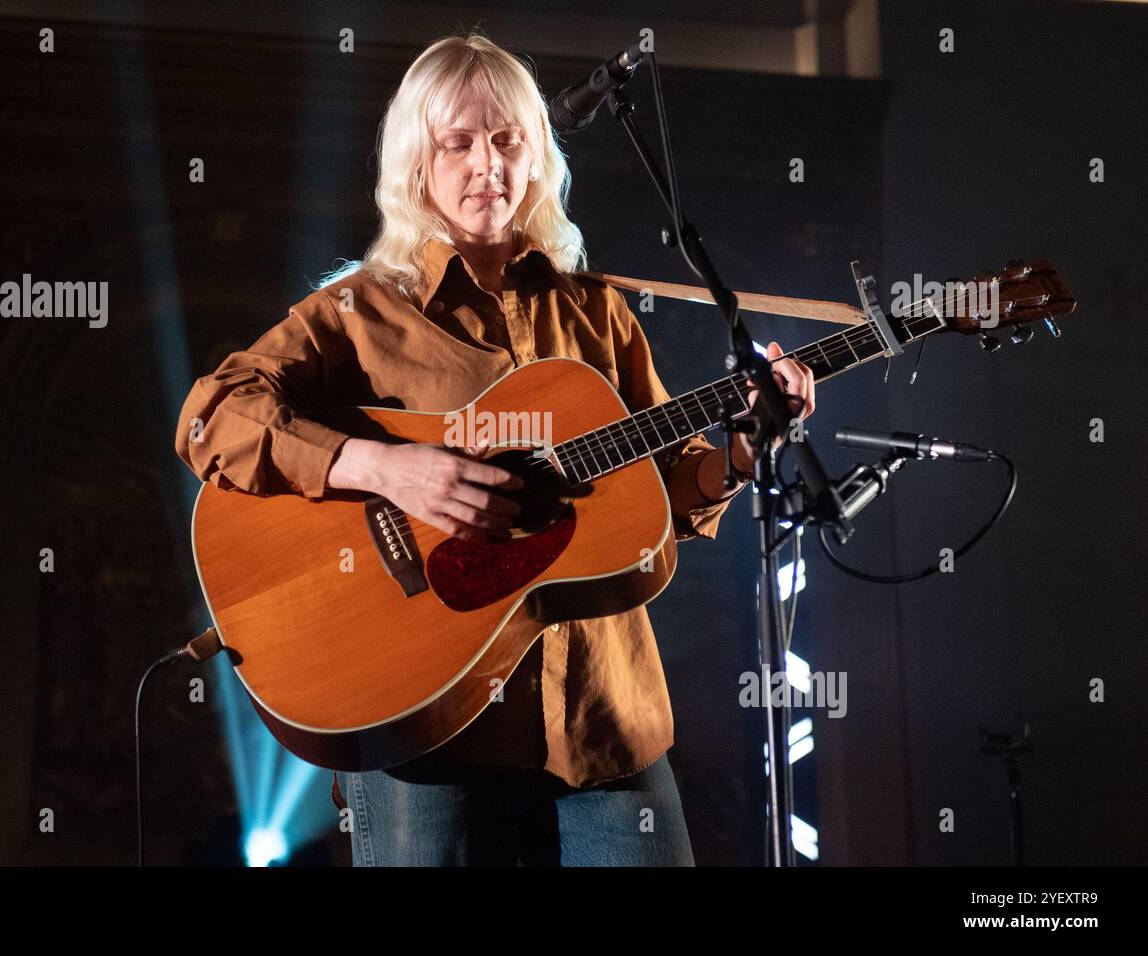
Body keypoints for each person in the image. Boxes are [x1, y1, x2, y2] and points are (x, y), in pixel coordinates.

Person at [174, 33, 816, 866]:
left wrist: (740, 451)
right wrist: (386, 468)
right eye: (460, 141)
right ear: (417, 164)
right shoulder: (358, 315)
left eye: (510, 138)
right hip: (420, 720)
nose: (489, 163)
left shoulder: (597, 312)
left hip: (598, 713)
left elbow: (671, 486)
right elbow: (211, 415)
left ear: (538, 156)